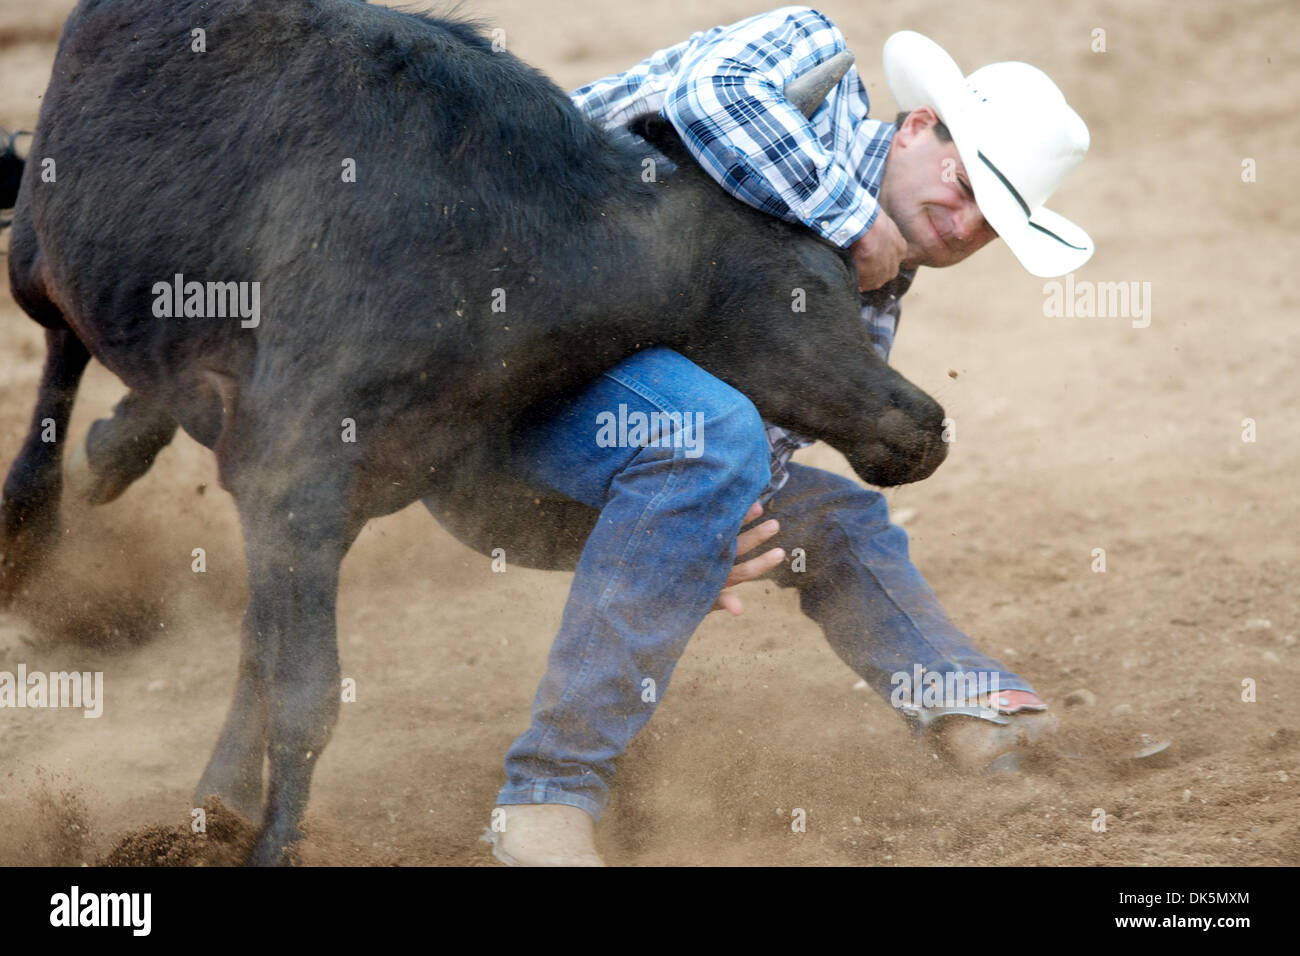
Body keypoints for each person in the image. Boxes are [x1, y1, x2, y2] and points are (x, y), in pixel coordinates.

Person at [422, 6, 1094, 866]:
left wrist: (706, 529)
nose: (962, 226)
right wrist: (849, 221)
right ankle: (547, 793)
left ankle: (967, 704)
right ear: (919, 125)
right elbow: (706, 95)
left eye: (990, 225)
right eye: (964, 186)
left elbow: (772, 438)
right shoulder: (812, 61)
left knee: (832, 520)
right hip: (489, 369)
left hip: (570, 464)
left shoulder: (873, 297)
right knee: (705, 438)